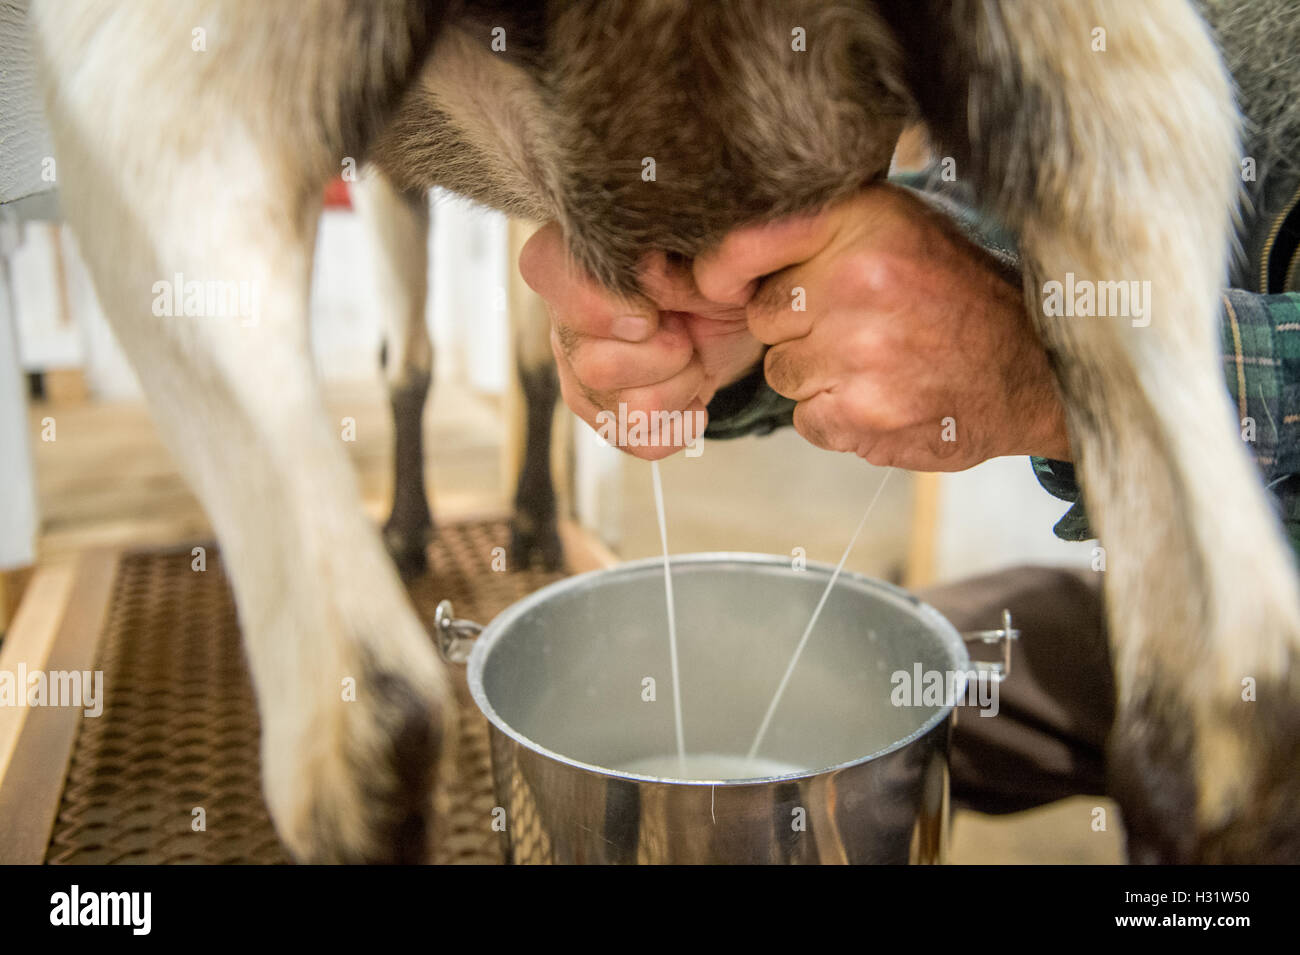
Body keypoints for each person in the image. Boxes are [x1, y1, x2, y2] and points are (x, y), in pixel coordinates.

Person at [518, 112, 1300, 826]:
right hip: (1172, 603)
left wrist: (1064, 364)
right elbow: (1024, 219)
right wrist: (758, 313)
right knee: (832, 723)